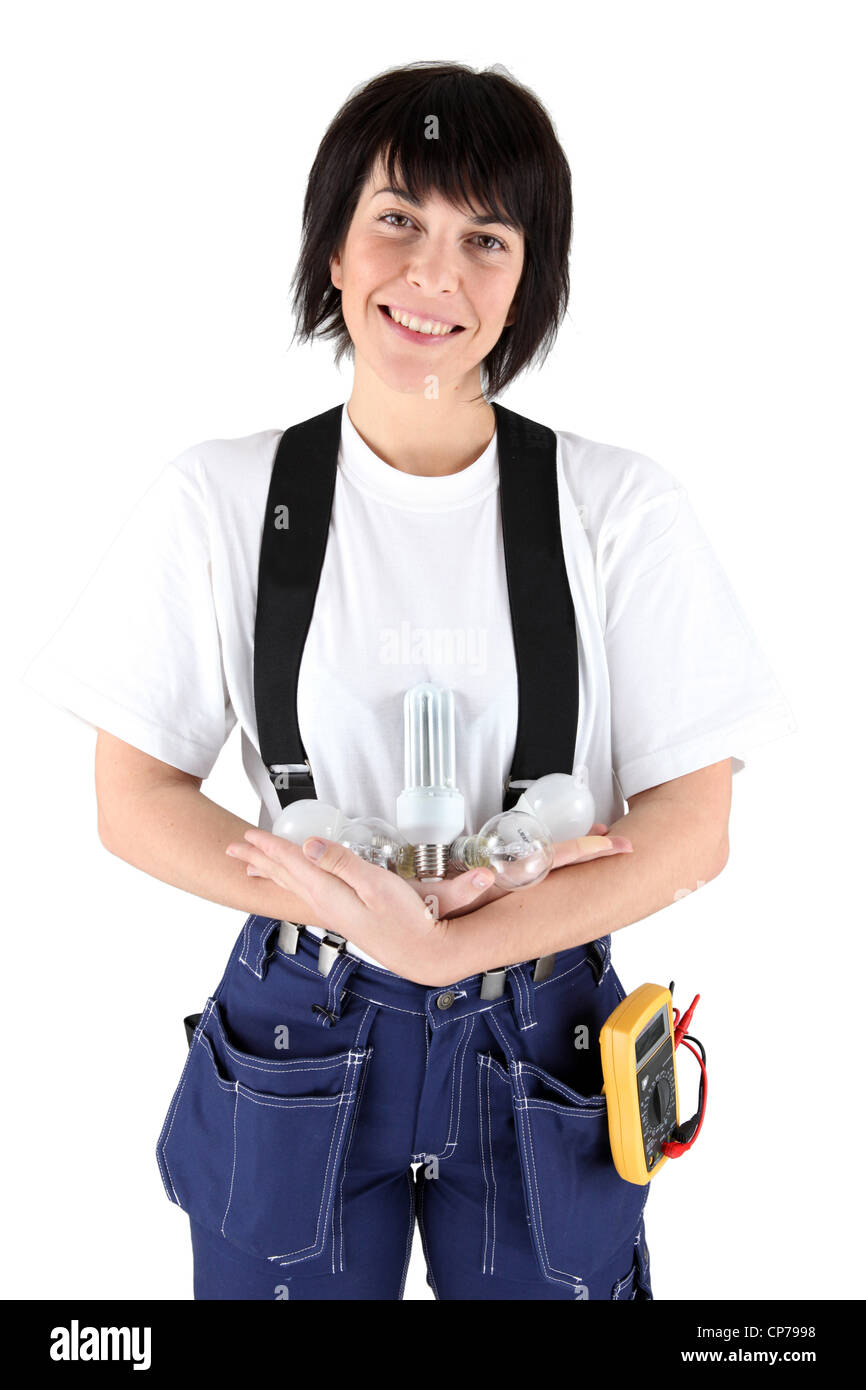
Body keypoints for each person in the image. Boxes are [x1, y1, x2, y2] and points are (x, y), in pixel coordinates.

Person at [23, 61, 796, 1301]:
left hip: (543, 1034)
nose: (432, 275)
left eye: (483, 237)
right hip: (301, 1029)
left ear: (526, 281)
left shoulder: (617, 509)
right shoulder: (221, 499)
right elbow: (132, 797)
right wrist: (345, 905)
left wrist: (449, 948)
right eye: (397, 219)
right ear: (331, 247)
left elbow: (693, 828)